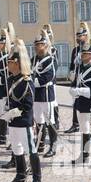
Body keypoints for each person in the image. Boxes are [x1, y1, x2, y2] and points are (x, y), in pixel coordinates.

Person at [0, 40, 41, 182]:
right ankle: (20, 176)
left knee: (31, 150)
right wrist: (8, 112)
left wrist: (14, 112)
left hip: (24, 121)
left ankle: (37, 180)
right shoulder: (11, 79)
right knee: (17, 148)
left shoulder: (26, 81)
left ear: (17, 64)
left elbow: (28, 105)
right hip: (13, 122)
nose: (8, 65)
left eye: (10, 62)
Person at [70, 38, 91, 168]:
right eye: (83, 53)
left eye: (86, 54)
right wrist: (73, 90)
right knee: (84, 131)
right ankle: (84, 155)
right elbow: (75, 83)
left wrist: (79, 90)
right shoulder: (80, 68)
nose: (83, 55)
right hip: (80, 104)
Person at [32, 27, 58, 156]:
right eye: (36, 45)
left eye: (40, 45)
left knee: (50, 121)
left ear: (45, 45)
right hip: (36, 96)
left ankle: (53, 146)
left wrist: (34, 82)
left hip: (47, 94)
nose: (37, 47)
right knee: (38, 120)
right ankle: (40, 144)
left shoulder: (49, 59)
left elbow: (49, 76)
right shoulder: (34, 60)